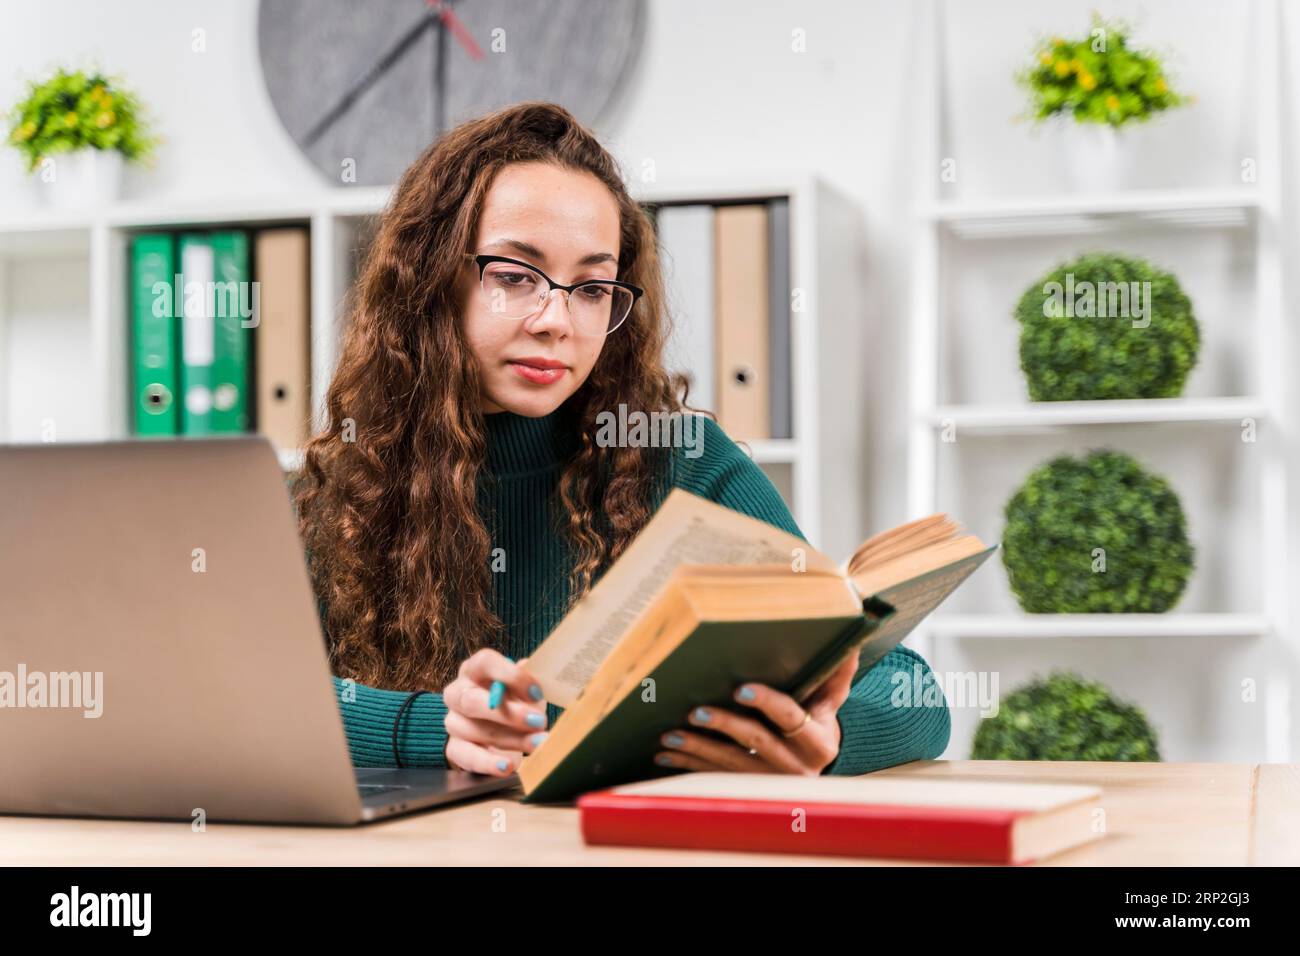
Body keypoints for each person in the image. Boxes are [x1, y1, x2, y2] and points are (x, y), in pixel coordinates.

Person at [292, 101, 950, 779]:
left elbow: (915, 692)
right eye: (516, 277)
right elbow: (236, 700)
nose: (558, 321)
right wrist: (438, 729)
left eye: (593, 287)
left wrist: (832, 738)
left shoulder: (682, 461)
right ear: (431, 280)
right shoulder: (342, 485)